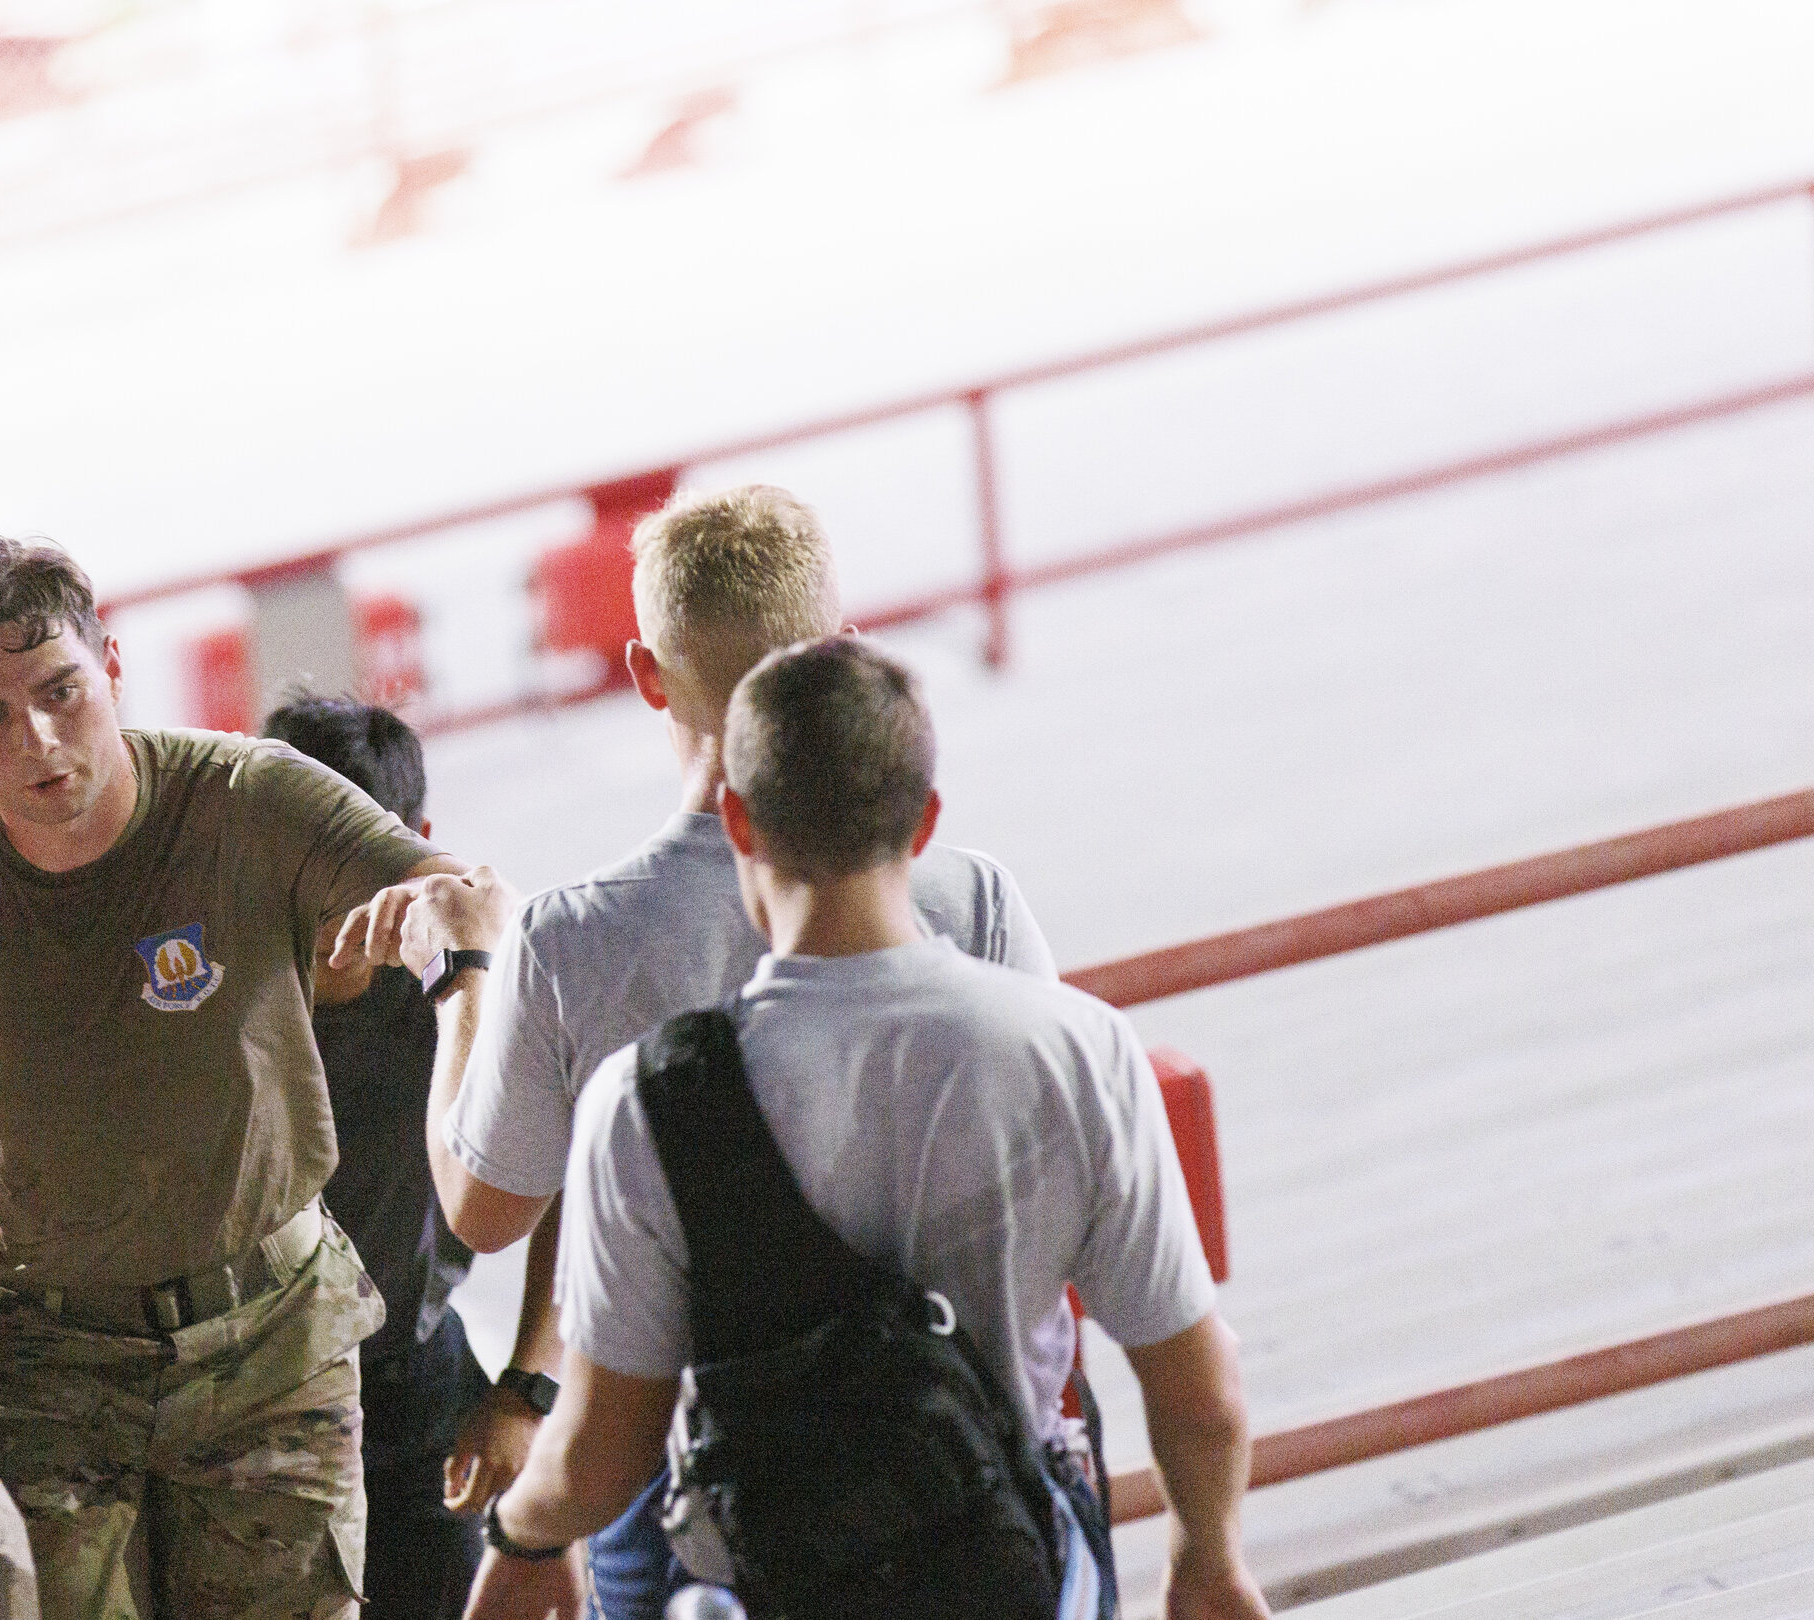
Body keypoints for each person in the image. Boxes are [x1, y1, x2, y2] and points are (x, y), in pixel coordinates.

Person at [0, 538, 489, 1618]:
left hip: (267, 1337)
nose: (38, 739)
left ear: (111, 668)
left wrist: (453, 969)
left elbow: (461, 891)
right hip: (39, 1359)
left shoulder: (248, 800)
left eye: (59, 691)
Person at [448, 637, 1274, 1620]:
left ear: (741, 822)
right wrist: (1207, 1567)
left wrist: (524, 1535)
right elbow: (1202, 1396)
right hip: (1014, 1574)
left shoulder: (647, 1103)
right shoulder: (1073, 1049)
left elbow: (601, 1454)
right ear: (924, 822)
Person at [428, 483, 1055, 1618]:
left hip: (688, 1479)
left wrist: (465, 981)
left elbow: (484, 1211)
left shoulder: (571, 941)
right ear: (844, 653)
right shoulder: (971, 896)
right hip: (968, 1451)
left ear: (646, 675)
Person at [261, 695, 516, 1620]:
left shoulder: (458, 998)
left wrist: (526, 1388)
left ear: (421, 851)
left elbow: (574, 1174)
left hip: (411, 1394)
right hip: (246, 1407)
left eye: (365, 862)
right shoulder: (212, 987)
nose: (337, 905)